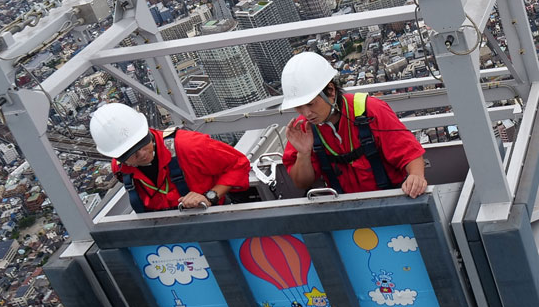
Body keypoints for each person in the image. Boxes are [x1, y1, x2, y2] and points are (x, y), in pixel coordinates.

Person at [280, 52, 427, 197]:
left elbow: (409, 153)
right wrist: (303, 154)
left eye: (311, 104)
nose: (306, 114)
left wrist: (416, 176)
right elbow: (301, 183)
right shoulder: (304, 129)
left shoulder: (370, 109)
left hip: (389, 198)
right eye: (299, 107)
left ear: (331, 91)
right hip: (346, 207)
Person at [90, 103, 252, 213]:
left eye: (144, 143)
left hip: (214, 216)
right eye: (131, 154)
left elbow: (239, 164)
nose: (143, 154)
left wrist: (210, 196)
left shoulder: (189, 145)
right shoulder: (120, 169)